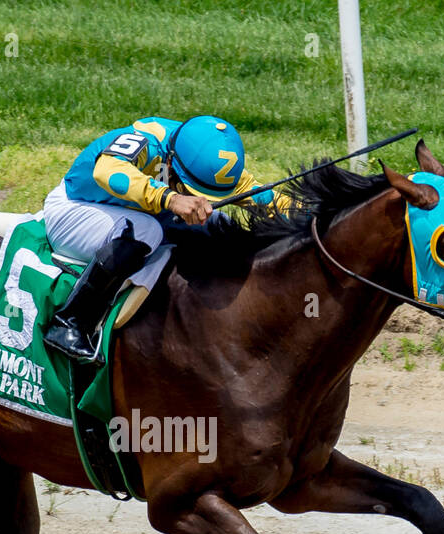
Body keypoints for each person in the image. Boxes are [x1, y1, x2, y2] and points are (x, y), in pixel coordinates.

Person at [42, 115, 289, 364]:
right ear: (170, 161)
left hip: (136, 212)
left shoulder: (210, 163)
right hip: (75, 207)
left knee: (220, 225)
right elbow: (108, 171)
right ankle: (69, 323)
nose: (196, 199)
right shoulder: (146, 143)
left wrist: (318, 211)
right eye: (190, 190)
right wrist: (171, 199)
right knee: (146, 230)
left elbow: (265, 199)